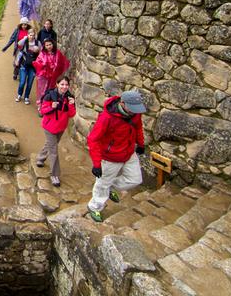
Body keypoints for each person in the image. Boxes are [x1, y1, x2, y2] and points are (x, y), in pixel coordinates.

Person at [86, 90, 147, 222]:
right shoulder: (107, 118)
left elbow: (138, 128)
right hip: (110, 157)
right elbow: (93, 139)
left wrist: (141, 144)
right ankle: (95, 207)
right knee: (102, 184)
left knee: (135, 179)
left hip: (128, 152)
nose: (135, 112)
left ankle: (112, 186)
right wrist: (97, 164)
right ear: (122, 103)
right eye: (132, 109)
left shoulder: (135, 114)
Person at [35, 76, 76, 187]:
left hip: (61, 127)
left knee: (50, 144)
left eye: (66, 85)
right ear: (57, 84)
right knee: (54, 151)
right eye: (62, 84)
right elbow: (43, 111)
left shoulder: (69, 98)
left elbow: (71, 114)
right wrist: (52, 107)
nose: (64, 87)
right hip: (49, 127)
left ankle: (40, 158)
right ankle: (55, 174)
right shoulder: (50, 96)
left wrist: (72, 104)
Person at [33, 38, 70, 113]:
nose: (49, 46)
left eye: (50, 44)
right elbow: (38, 63)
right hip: (43, 77)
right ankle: (40, 107)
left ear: (53, 44)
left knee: (50, 92)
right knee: (42, 92)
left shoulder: (58, 53)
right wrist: (44, 65)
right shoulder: (42, 54)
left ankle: (48, 106)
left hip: (53, 77)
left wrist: (56, 68)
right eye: (47, 45)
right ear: (44, 46)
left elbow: (62, 63)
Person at [15, 34, 40, 104]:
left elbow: (40, 56)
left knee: (29, 83)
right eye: (30, 35)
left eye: (33, 35)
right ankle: (19, 94)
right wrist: (17, 60)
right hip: (24, 66)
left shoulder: (38, 44)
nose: (31, 36)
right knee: (22, 82)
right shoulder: (25, 43)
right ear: (28, 35)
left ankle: (26, 97)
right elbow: (20, 51)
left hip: (32, 68)